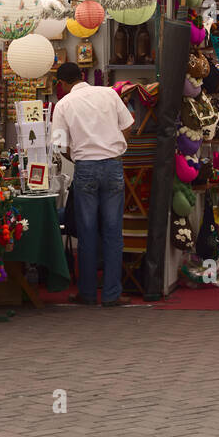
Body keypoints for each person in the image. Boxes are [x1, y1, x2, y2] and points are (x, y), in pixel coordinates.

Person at [51, 62, 135, 307]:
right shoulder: (109, 93)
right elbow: (129, 125)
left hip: (85, 168)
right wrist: (117, 148)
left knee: (87, 233)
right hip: (112, 165)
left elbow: (59, 143)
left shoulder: (64, 105)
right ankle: (112, 293)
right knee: (113, 231)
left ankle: (87, 293)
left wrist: (76, 157)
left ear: (62, 84)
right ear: (83, 76)